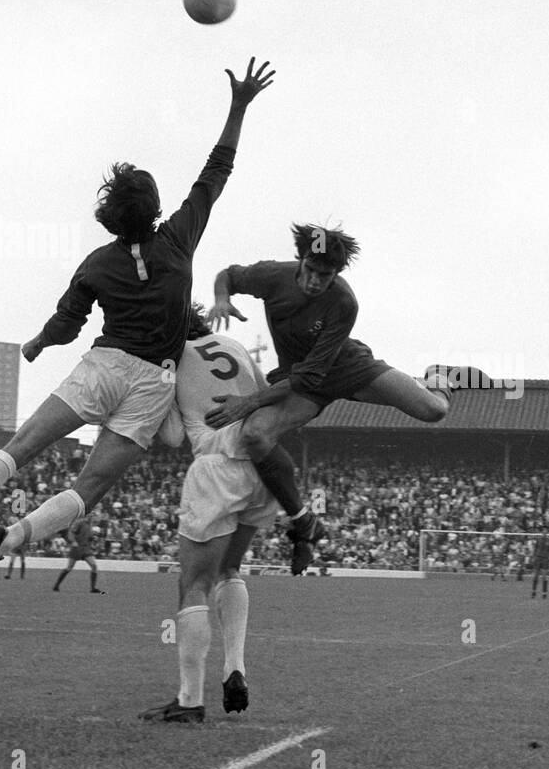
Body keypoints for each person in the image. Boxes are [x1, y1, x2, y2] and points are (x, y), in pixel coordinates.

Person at [0, 56, 275, 584]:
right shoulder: (179, 239)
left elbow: (66, 324)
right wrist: (238, 106)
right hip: (154, 383)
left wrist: (36, 342)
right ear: (155, 207)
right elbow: (216, 172)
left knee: (21, 448)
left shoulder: (97, 263)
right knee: (89, 487)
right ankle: (5, 542)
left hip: (102, 366)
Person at [203, 227, 487, 574]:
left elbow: (310, 375)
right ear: (301, 259)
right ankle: (302, 521)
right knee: (254, 435)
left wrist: (248, 402)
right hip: (303, 380)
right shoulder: (272, 276)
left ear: (335, 274)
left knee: (434, 410)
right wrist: (221, 297)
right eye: (309, 270)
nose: (314, 281)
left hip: (346, 367)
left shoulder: (343, 301)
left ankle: (439, 376)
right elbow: (228, 275)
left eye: (324, 276)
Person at [141, 306, 280, 723]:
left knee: (194, 584)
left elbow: (171, 436)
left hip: (217, 463)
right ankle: (234, 666)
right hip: (263, 461)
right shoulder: (234, 345)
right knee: (230, 569)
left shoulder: (170, 361)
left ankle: (189, 702)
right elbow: (265, 396)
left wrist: (162, 402)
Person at [52, 516, 102, 593]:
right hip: (77, 548)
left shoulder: (90, 525)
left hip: (86, 549)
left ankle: (93, 588)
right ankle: (56, 585)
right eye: (91, 516)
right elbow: (71, 532)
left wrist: (92, 538)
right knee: (69, 568)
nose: (92, 518)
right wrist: (73, 542)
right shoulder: (80, 523)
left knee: (94, 565)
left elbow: (88, 537)